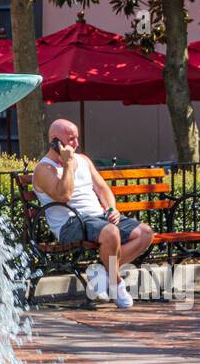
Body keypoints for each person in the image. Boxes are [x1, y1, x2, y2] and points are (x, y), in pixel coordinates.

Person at [32, 119, 154, 308]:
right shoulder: (44, 169)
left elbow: (103, 189)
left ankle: (103, 274)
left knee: (145, 233)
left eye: (77, 138)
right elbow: (64, 195)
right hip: (70, 223)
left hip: (99, 218)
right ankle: (116, 284)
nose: (76, 144)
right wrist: (67, 166)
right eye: (71, 139)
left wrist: (111, 208)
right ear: (56, 141)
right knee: (111, 232)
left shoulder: (84, 160)